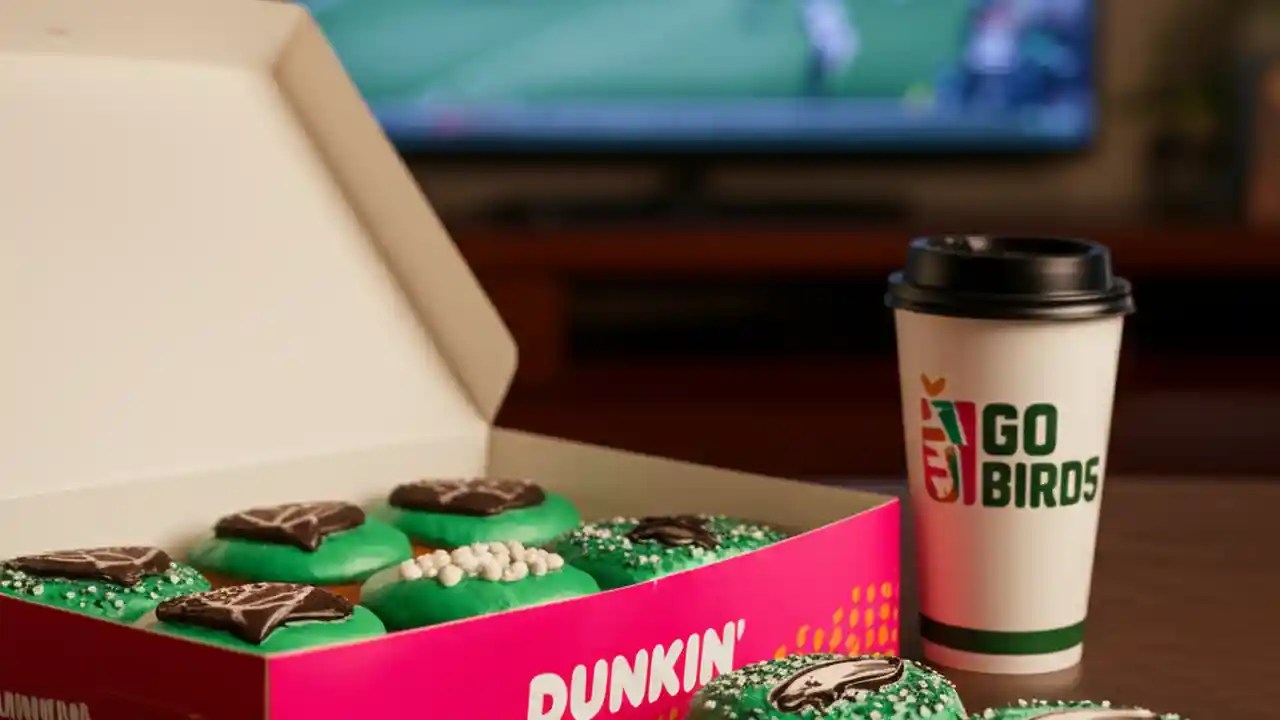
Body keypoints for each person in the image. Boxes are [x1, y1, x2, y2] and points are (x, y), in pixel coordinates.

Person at [800, 0, 858, 96]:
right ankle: (818, 88)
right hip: (827, 39)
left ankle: (818, 88)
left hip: (828, 40)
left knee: (823, 64)